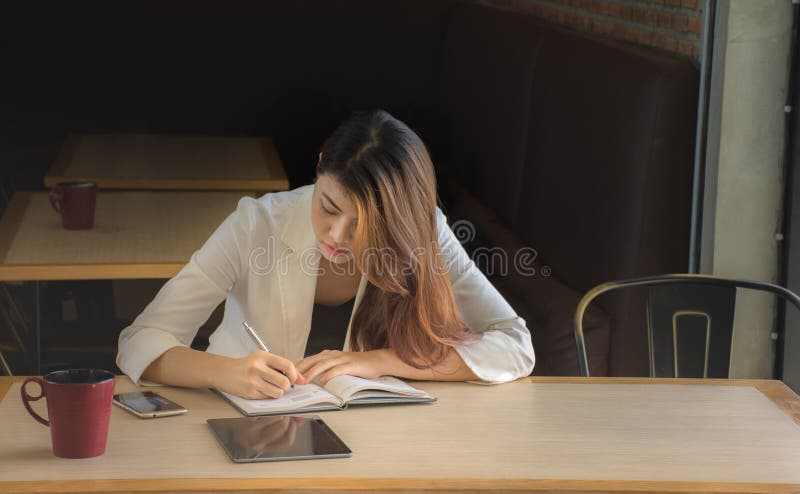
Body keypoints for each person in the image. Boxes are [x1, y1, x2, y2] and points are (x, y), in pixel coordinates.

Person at [116, 110, 535, 400]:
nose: (336, 236)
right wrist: (227, 372)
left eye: (362, 226)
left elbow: (515, 345)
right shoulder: (255, 224)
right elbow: (140, 340)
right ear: (319, 166)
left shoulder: (425, 233)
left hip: (374, 446)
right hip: (246, 428)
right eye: (328, 208)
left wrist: (382, 361)